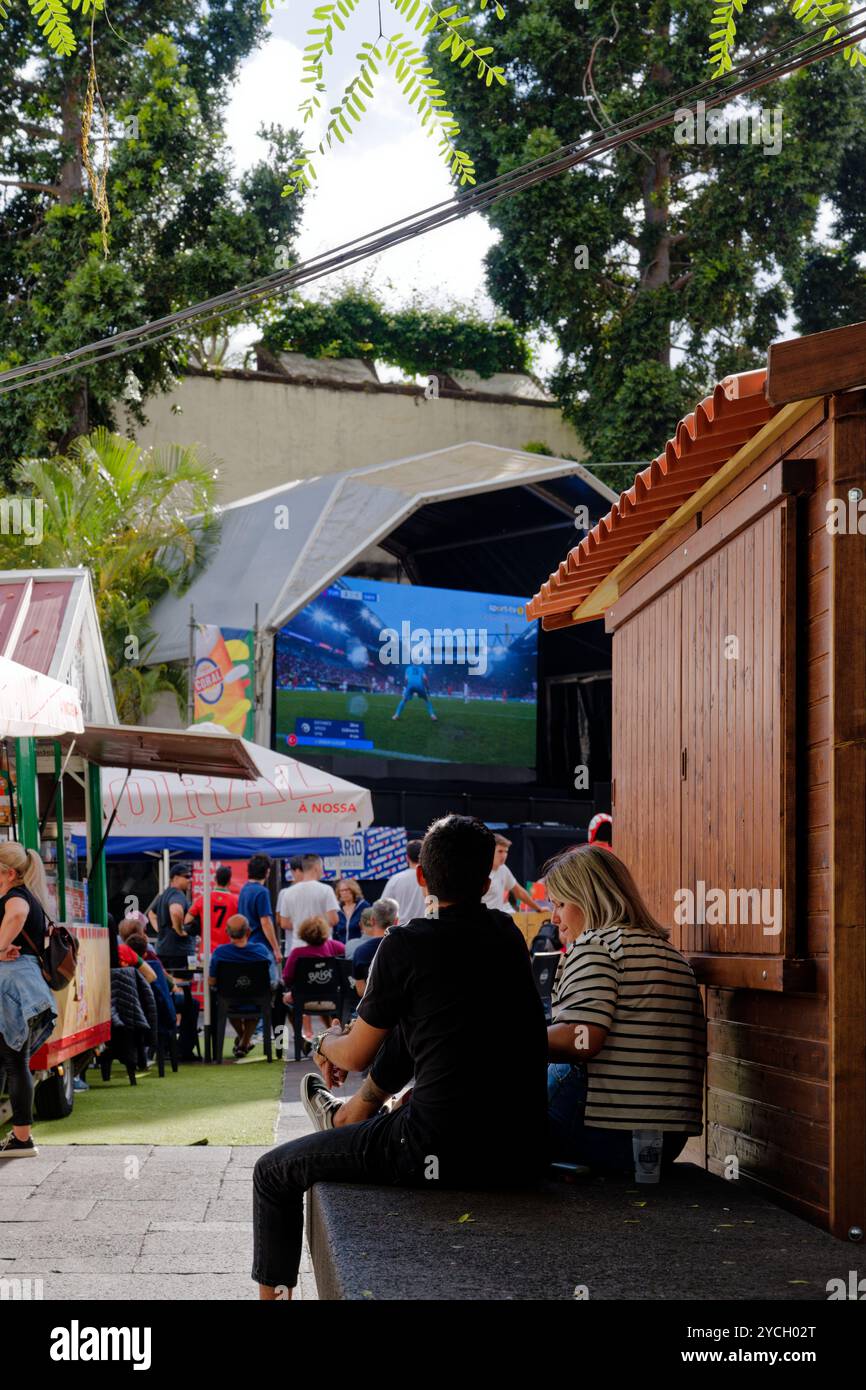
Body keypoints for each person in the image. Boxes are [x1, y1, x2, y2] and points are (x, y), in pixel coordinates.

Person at [251, 814, 549, 1299]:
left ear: (423, 878)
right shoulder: (507, 935)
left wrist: (322, 1042)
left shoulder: (405, 943)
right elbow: (424, 1027)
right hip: (522, 1150)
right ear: (489, 879)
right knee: (422, 1016)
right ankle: (352, 1113)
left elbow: (358, 1051)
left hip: (437, 1147)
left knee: (272, 1172)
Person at [544, 844, 705, 1173]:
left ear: (589, 897)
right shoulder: (670, 954)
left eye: (560, 903)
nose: (554, 918)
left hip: (601, 1134)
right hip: (666, 1144)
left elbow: (583, 1038)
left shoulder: (595, 946)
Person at [0, 844, 58, 1158]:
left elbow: (17, 914)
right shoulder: (26, 895)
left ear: (10, 872)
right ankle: (21, 1136)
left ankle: (22, 1138)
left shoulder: (16, 898)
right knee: (12, 1060)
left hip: (11, 988)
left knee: (13, 1060)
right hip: (22, 987)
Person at [209, 915, 279, 1058]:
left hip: (229, 1001)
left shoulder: (220, 953)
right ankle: (245, 1041)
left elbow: (211, 981)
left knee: (227, 999)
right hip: (257, 1000)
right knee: (256, 999)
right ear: (248, 931)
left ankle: (243, 1042)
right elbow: (271, 979)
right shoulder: (261, 951)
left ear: (227, 932)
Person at [276, 854, 338, 952]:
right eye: (322, 868)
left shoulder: (288, 892)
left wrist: (302, 926)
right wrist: (316, 928)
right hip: (323, 946)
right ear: (316, 868)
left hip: (298, 947)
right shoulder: (326, 890)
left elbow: (284, 923)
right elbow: (333, 920)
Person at [147, 864, 194, 971]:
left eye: (190, 877)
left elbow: (151, 914)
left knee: (168, 983)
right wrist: (180, 930)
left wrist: (159, 929)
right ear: (176, 878)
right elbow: (176, 910)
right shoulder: (178, 894)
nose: (190, 880)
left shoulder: (164, 894)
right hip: (179, 952)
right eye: (186, 877)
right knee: (181, 983)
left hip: (163, 950)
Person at [238, 854, 281, 964]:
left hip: (246, 944)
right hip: (261, 947)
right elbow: (266, 922)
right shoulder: (262, 891)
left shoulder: (244, 889)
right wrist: (276, 949)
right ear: (267, 872)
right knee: (270, 980)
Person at [185, 865, 239, 953]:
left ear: (215, 879)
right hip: (228, 950)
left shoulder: (203, 898)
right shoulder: (236, 901)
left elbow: (187, 920)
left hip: (206, 951)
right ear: (229, 882)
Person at [350, 898, 397, 997]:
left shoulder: (360, 952)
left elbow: (361, 991)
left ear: (372, 920)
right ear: (396, 921)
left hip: (372, 1008)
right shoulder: (407, 947)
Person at [481, 834, 536, 914]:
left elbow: (519, 892)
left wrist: (538, 908)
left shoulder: (503, 869)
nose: (504, 855)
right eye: (500, 851)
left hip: (495, 921)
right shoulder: (478, 870)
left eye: (506, 851)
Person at [380, 840, 425, 925]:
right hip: (426, 931)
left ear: (407, 857)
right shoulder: (432, 879)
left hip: (401, 932)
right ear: (424, 856)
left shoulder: (396, 879)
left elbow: (382, 908)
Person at [333, 878, 370, 946]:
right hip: (341, 950)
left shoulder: (364, 906)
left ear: (353, 890)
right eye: (341, 891)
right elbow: (334, 932)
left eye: (347, 890)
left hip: (359, 948)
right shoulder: (337, 909)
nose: (344, 893)